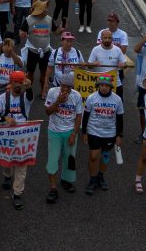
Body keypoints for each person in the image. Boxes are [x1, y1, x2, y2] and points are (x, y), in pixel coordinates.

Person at [0, 71, 31, 210]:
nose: (17, 85)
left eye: (20, 82)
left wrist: (29, 86)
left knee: (21, 164)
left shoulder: (26, 97)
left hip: (23, 137)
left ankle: (17, 193)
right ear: (11, 82)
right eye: (15, 82)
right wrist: (5, 118)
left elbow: (31, 94)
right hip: (6, 136)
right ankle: (7, 175)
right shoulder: (3, 98)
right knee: (7, 160)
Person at [44, 72, 82, 203]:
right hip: (54, 131)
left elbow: (78, 116)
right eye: (64, 86)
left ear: (72, 86)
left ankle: (66, 181)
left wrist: (73, 134)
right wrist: (58, 102)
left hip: (69, 131)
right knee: (52, 161)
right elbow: (47, 112)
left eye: (69, 87)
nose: (66, 89)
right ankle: (53, 188)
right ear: (60, 84)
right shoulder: (52, 92)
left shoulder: (77, 96)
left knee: (69, 158)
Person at [82, 75, 124, 194]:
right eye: (101, 85)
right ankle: (92, 179)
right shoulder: (91, 98)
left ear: (111, 87)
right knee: (93, 156)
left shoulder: (117, 100)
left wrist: (120, 135)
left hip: (110, 132)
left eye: (106, 85)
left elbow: (120, 118)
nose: (104, 88)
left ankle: (101, 176)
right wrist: (84, 132)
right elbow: (86, 116)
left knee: (105, 156)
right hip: (94, 130)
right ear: (98, 86)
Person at [18, 0, 58, 100]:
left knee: (44, 72)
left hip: (45, 50)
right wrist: (22, 34)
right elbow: (21, 31)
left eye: (46, 9)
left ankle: (43, 90)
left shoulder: (49, 19)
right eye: (44, 9)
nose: (46, 10)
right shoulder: (29, 19)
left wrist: (61, 29)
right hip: (32, 50)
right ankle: (28, 90)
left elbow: (56, 31)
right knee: (30, 73)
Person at [44, 31, 83, 98]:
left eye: (71, 41)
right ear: (62, 41)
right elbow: (49, 67)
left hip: (72, 86)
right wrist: (46, 82)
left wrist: (78, 68)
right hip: (57, 85)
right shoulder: (55, 52)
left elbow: (83, 67)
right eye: (67, 41)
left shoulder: (77, 52)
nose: (69, 43)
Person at [89, 30, 126, 97]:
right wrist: (92, 64)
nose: (107, 40)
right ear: (101, 38)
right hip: (100, 83)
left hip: (115, 83)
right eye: (105, 38)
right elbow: (89, 66)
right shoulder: (95, 49)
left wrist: (123, 65)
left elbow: (124, 63)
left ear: (112, 39)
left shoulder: (117, 50)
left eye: (109, 38)